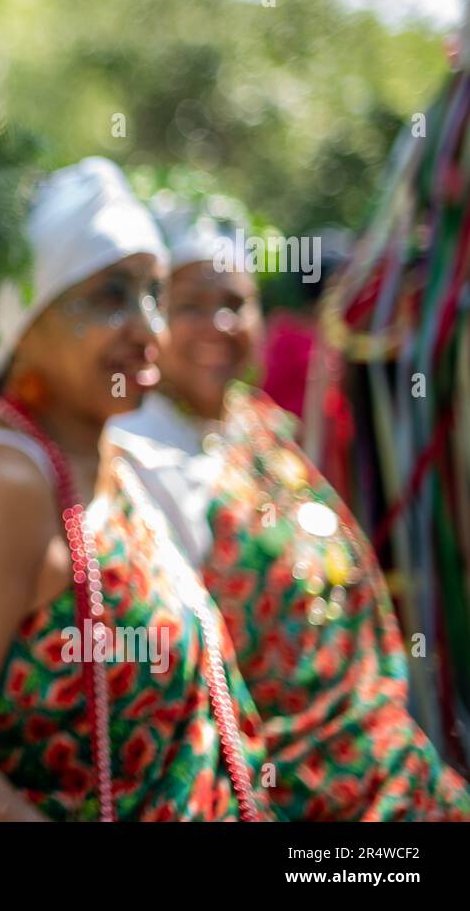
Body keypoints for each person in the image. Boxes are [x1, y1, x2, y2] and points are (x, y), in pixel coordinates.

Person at [0, 157, 272, 821]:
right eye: (109, 296)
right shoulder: (5, 478)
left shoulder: (123, 462)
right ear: (22, 328)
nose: (149, 328)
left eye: (153, 293)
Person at [108, 212, 470, 820]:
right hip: (281, 792)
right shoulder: (132, 455)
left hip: (387, 760)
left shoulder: (256, 423)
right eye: (192, 305)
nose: (219, 325)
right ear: (152, 319)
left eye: (235, 303)